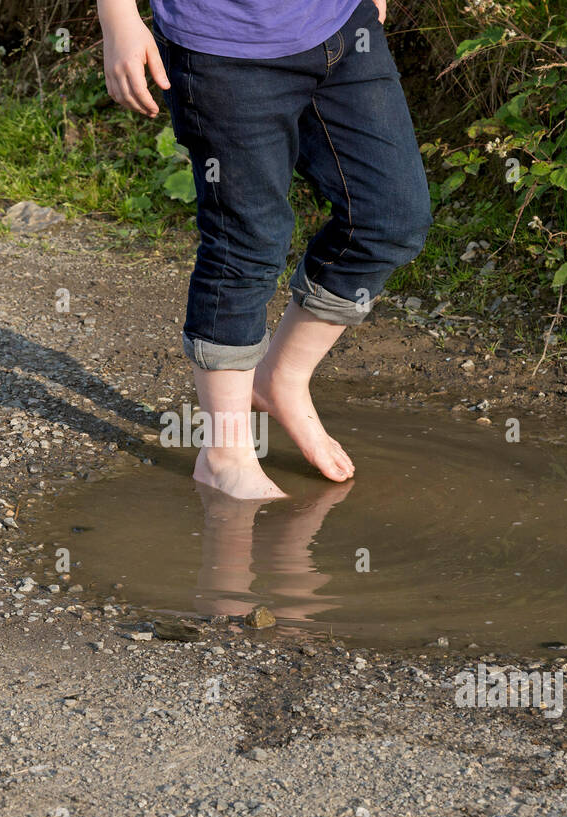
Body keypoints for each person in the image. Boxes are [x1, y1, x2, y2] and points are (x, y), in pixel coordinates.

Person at [99, 0, 431, 498]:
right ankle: (225, 454)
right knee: (247, 239)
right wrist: (119, 19)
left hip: (342, 28)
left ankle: (281, 379)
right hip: (221, 50)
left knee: (390, 218)